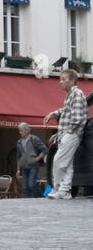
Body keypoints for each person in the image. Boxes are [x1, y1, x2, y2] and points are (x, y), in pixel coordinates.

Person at [44, 68, 88, 199]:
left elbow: (78, 116)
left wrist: (70, 130)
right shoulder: (72, 94)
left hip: (71, 134)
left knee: (59, 161)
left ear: (72, 81)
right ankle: (65, 191)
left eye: (63, 79)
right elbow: (67, 110)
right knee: (67, 164)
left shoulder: (77, 94)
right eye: (60, 79)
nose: (60, 82)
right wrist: (53, 114)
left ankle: (58, 188)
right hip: (69, 133)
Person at [14, 122, 48, 199]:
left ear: (27, 130)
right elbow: (18, 157)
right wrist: (18, 170)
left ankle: (41, 198)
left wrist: (37, 158)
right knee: (25, 188)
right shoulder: (19, 142)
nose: (20, 132)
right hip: (24, 167)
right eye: (19, 131)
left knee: (32, 185)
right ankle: (26, 203)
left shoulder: (34, 139)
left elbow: (45, 150)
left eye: (21, 130)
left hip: (33, 166)